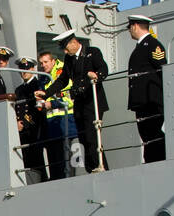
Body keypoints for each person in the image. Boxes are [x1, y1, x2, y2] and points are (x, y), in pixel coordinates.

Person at [53, 29, 109, 172]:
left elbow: (103, 68)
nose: (65, 52)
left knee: (92, 137)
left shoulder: (92, 52)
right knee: (83, 138)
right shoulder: (69, 59)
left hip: (93, 101)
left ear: (74, 43)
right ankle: (91, 169)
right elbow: (63, 80)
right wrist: (46, 93)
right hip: (79, 103)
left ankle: (101, 167)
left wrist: (96, 75)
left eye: (66, 48)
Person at [127, 15, 167, 163]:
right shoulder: (141, 46)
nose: (130, 31)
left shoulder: (152, 45)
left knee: (152, 133)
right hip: (141, 101)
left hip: (151, 100)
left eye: (129, 27)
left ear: (135, 26)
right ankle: (151, 160)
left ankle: (157, 160)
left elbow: (162, 68)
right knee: (146, 134)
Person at [12, 58, 48, 183]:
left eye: (27, 69)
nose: (24, 72)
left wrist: (26, 123)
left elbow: (38, 109)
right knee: (26, 158)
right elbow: (18, 108)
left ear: (32, 69)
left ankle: (40, 181)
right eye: (22, 70)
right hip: (22, 129)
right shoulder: (19, 89)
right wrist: (17, 122)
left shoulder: (37, 85)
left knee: (36, 158)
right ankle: (30, 182)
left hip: (35, 127)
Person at [36, 51, 69, 181]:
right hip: (52, 127)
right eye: (41, 63)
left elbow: (69, 99)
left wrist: (52, 104)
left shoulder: (62, 73)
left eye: (46, 62)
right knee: (56, 167)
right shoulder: (44, 78)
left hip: (65, 124)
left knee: (65, 166)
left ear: (53, 61)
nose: (43, 65)